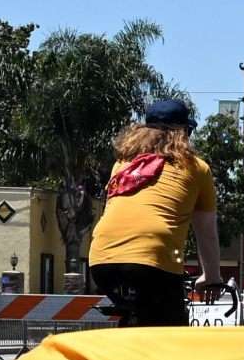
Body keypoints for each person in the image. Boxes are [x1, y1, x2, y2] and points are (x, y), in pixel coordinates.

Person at [87, 99, 223, 327]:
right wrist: (211, 277)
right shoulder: (197, 168)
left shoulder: (122, 164)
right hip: (154, 262)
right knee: (169, 337)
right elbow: (206, 234)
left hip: (101, 262)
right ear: (184, 133)